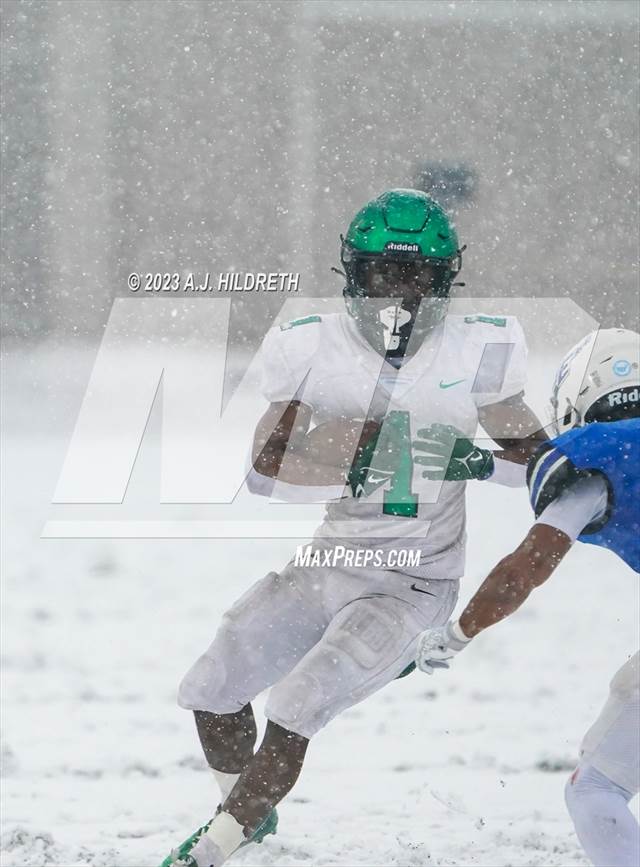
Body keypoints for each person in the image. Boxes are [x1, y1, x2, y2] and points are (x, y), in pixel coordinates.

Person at [161, 189, 546, 867]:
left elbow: (542, 465)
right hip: (329, 563)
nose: (400, 293)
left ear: (445, 280)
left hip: (412, 583)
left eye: (417, 275)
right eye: (384, 273)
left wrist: (478, 460)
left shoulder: (478, 350)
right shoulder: (312, 346)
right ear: (353, 273)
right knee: (211, 685)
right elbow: (262, 472)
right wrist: (359, 452)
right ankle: (249, 815)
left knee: (296, 702)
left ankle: (214, 849)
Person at [416, 328, 640, 867]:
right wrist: (487, 463)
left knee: (596, 788)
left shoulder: (604, 458)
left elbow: (526, 567)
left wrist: (457, 633)